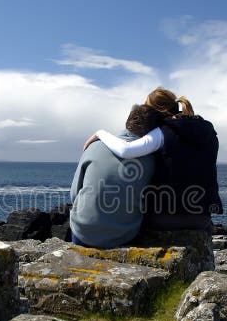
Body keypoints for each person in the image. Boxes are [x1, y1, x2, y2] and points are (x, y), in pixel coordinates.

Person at [83, 87, 223, 230]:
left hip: (167, 217)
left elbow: (126, 150)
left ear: (154, 112)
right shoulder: (208, 130)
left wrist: (100, 133)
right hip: (202, 218)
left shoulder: (164, 132)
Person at [69, 105, 162, 248]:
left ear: (128, 122)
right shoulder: (152, 160)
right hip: (123, 235)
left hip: (84, 231)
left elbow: (74, 194)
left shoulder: (94, 147)